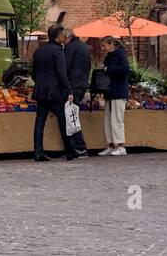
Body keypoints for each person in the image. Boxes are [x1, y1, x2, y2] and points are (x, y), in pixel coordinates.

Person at [31, 24, 78, 162]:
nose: (64, 37)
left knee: (40, 122)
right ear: (59, 36)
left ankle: (38, 151)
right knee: (63, 121)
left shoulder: (39, 50)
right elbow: (61, 73)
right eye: (63, 35)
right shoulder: (58, 51)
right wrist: (68, 90)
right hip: (55, 91)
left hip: (40, 90)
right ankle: (70, 151)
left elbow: (34, 72)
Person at [98, 35, 131, 155]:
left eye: (104, 45)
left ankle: (121, 146)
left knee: (117, 119)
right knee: (108, 119)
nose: (103, 48)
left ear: (111, 44)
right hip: (110, 91)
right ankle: (111, 145)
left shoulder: (121, 54)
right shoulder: (110, 55)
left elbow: (125, 69)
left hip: (118, 91)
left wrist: (107, 69)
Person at [63, 28, 92, 156]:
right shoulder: (84, 47)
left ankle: (80, 147)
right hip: (82, 84)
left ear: (66, 37)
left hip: (73, 85)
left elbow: (66, 66)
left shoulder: (70, 47)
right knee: (73, 115)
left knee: (72, 117)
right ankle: (76, 147)